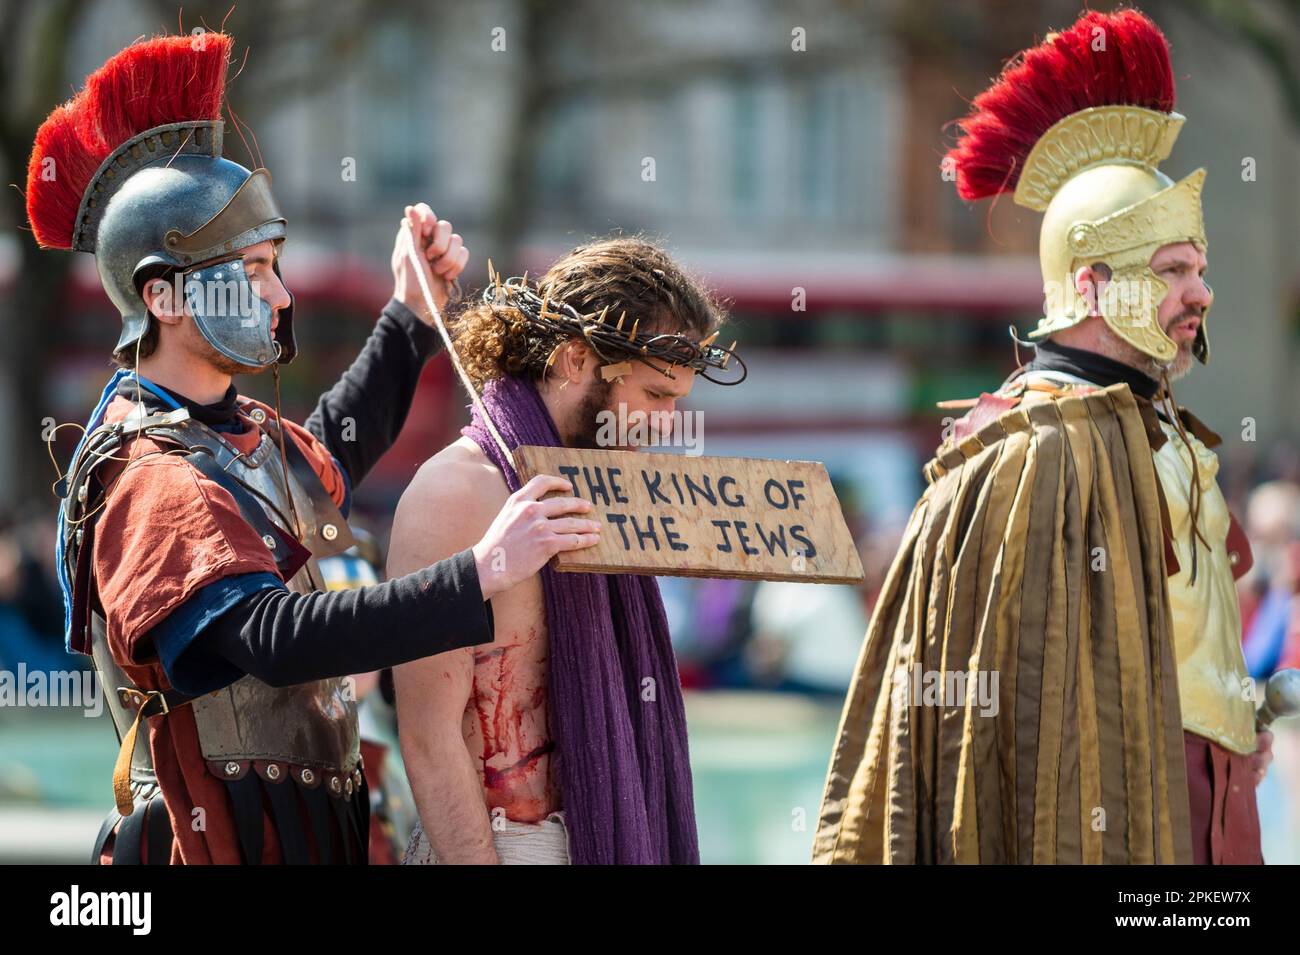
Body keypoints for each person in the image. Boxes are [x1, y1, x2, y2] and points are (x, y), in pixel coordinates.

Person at [28, 32, 597, 864]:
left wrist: (409, 315)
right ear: (164, 294)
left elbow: (319, 461)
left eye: (276, 264)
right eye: (254, 268)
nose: (280, 293)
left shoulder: (225, 435)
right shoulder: (150, 471)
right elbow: (275, 634)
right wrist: (481, 569)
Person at [815, 9, 1269, 865]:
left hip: (1216, 820)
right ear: (1094, 285)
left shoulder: (1165, 429)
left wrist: (1254, 715)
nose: (1201, 292)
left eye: (1200, 268)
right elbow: (1000, 726)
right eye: (1172, 269)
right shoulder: (1026, 455)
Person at [391, 239, 743, 864]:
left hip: (607, 838)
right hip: (502, 844)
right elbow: (427, 732)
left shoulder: (619, 486)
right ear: (576, 360)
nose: (667, 425)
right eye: (657, 397)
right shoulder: (458, 489)